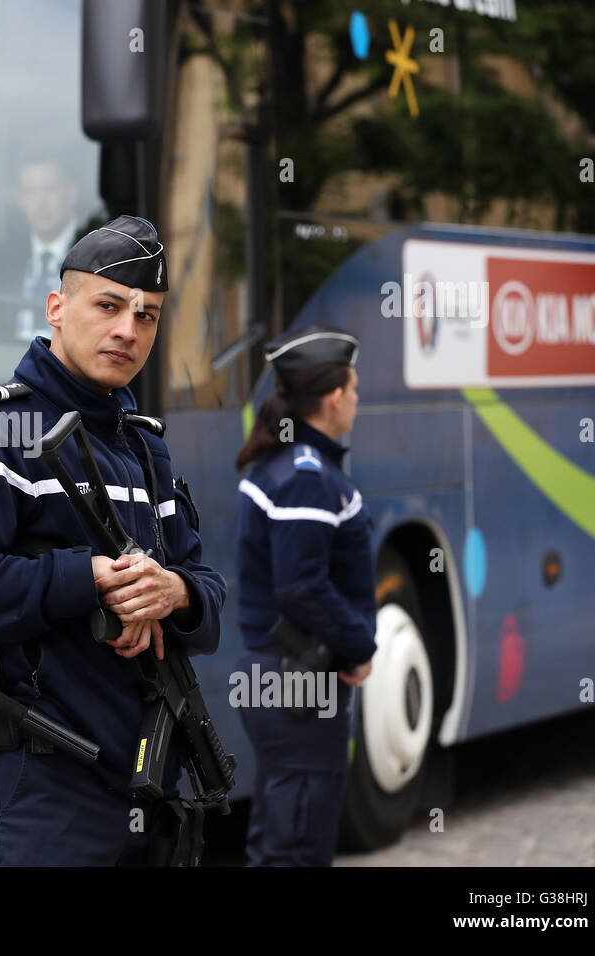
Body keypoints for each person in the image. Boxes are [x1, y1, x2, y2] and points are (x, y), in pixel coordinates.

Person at [0, 215, 227, 866]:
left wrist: (172, 593)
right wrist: (91, 578)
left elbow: (209, 603)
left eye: (146, 316)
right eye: (109, 306)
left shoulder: (145, 446)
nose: (127, 330)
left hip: (152, 781)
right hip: (45, 790)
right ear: (57, 308)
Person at [232, 326, 377, 866]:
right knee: (297, 846)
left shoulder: (284, 465)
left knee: (284, 837)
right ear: (335, 396)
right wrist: (360, 644)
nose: (357, 401)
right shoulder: (306, 478)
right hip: (294, 681)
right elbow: (301, 585)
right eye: (356, 390)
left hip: (285, 678)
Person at [12, 154, 81, 341]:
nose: (40, 203)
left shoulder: (99, 255)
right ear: (20, 200)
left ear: (72, 193)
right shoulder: (1, 261)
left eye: (50, 189)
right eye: (31, 192)